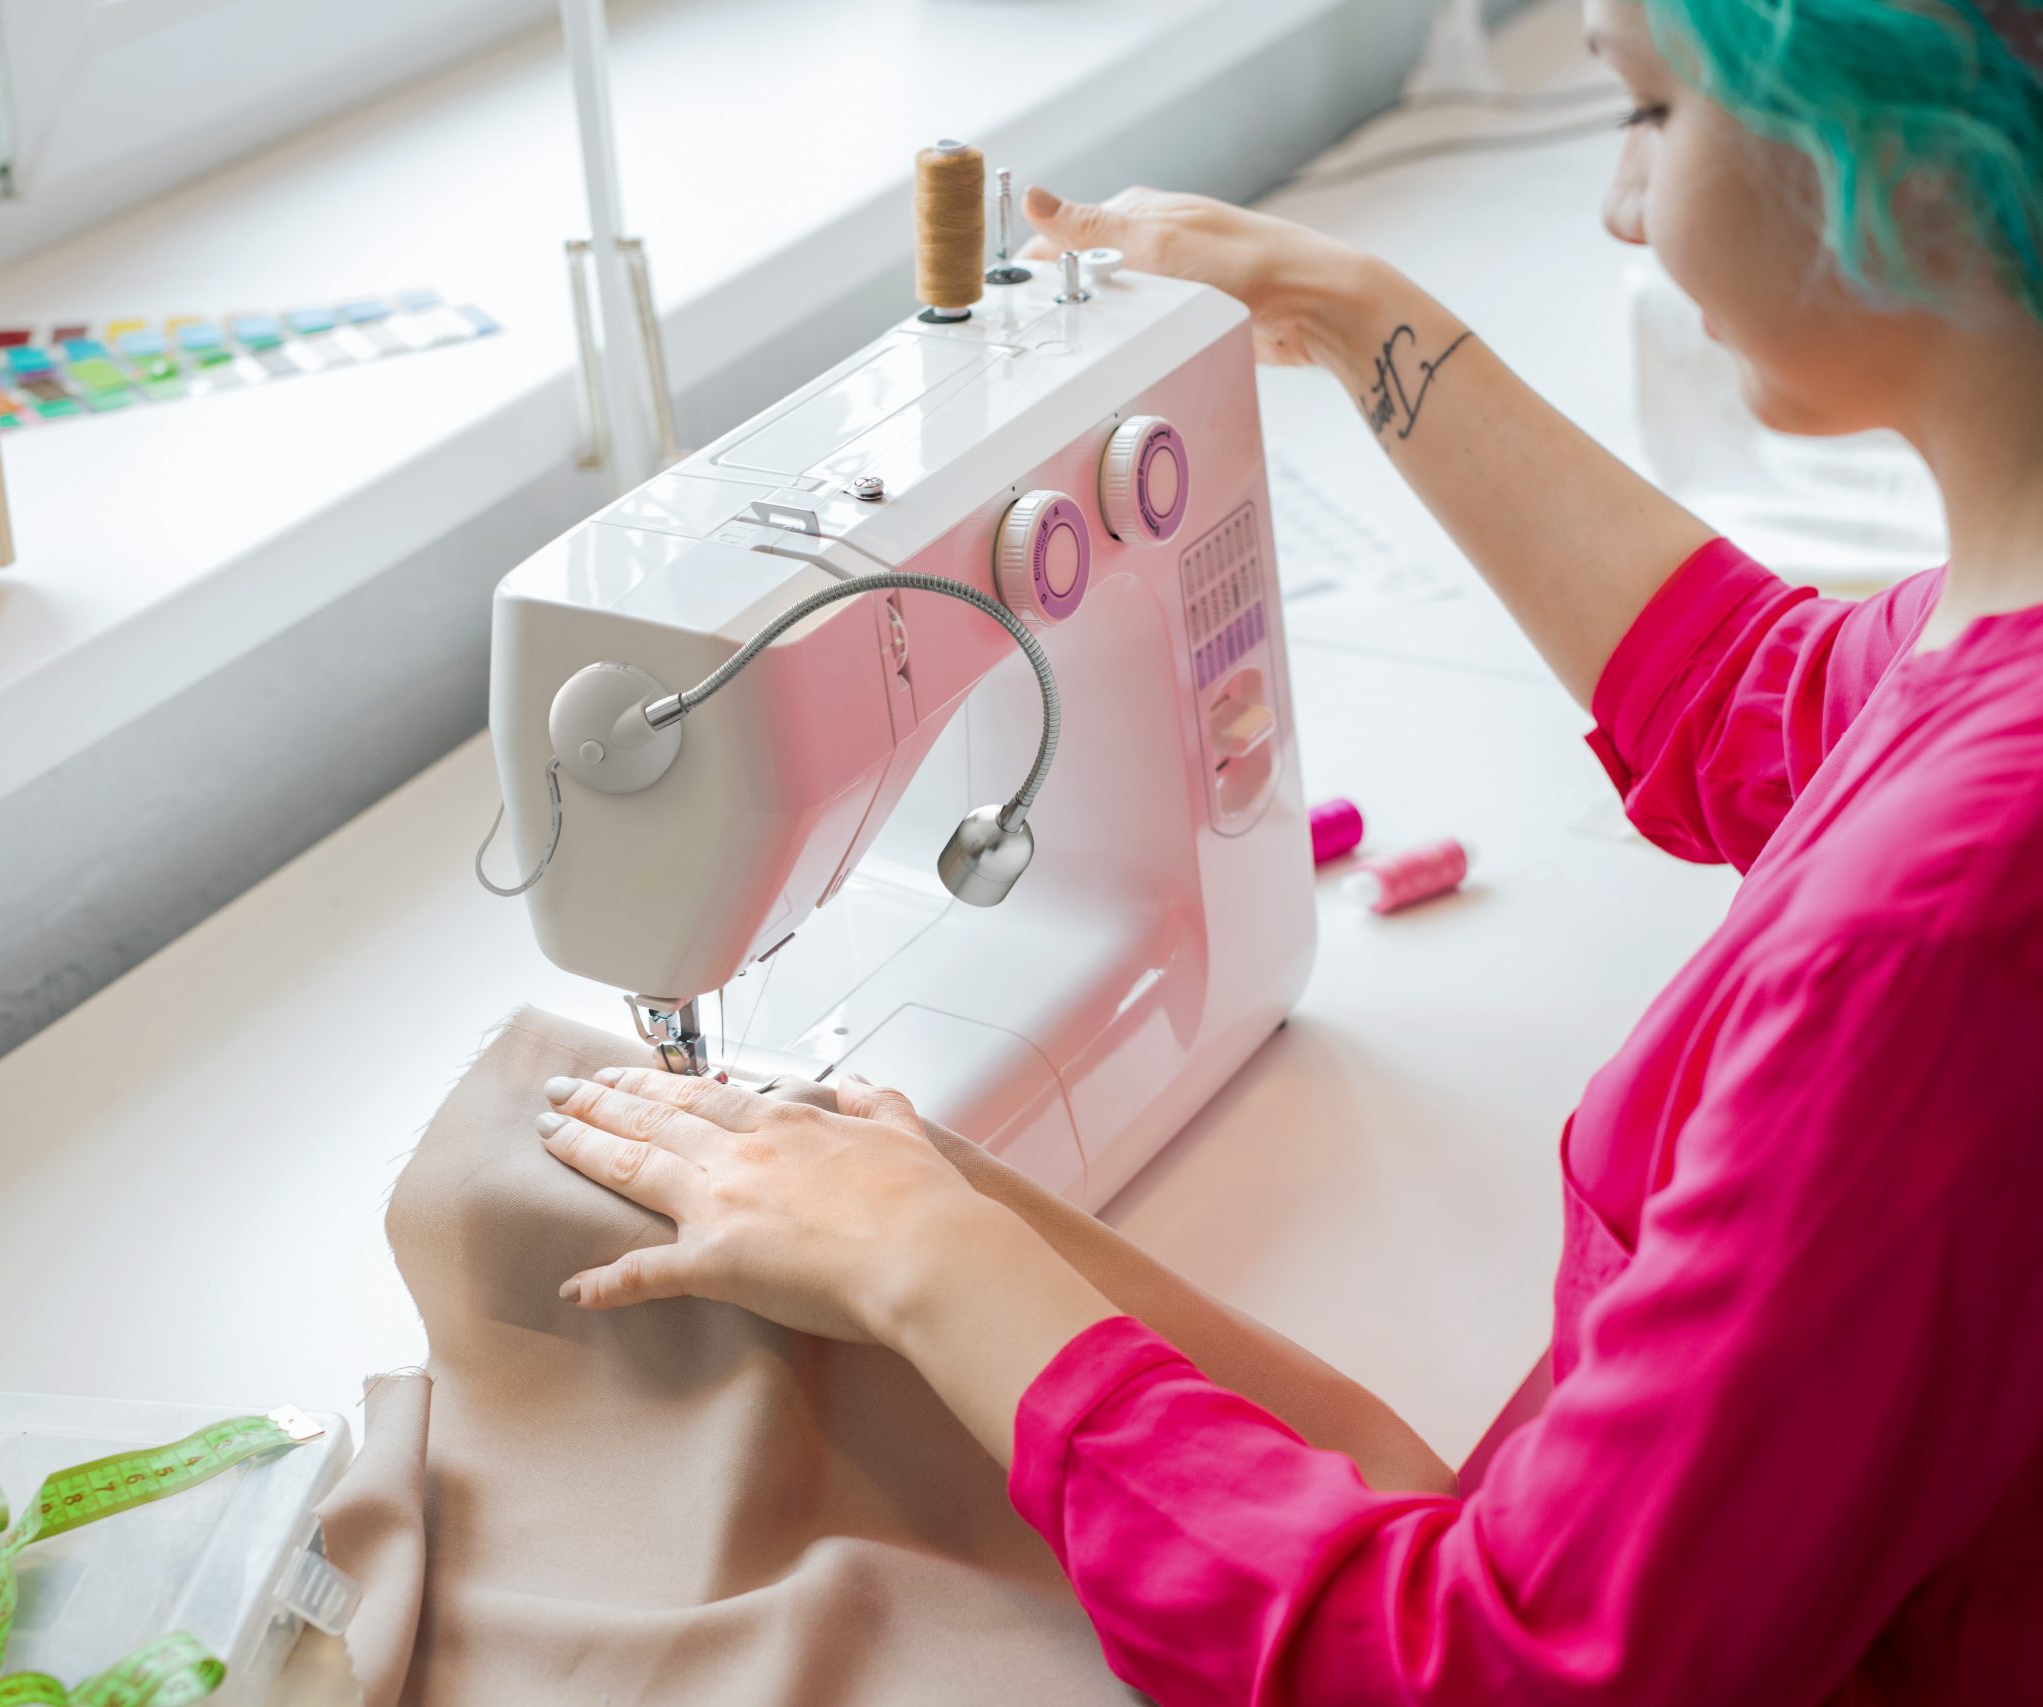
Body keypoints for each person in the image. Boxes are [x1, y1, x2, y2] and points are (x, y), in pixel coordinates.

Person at [530, 0, 2043, 1698]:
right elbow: (1772, 704)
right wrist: (1351, 311)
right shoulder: (2000, 642)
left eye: (1649, 111)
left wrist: (929, 1260)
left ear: (1920, 146)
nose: (1623, 209)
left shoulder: (1936, 938)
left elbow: (1496, 1670)